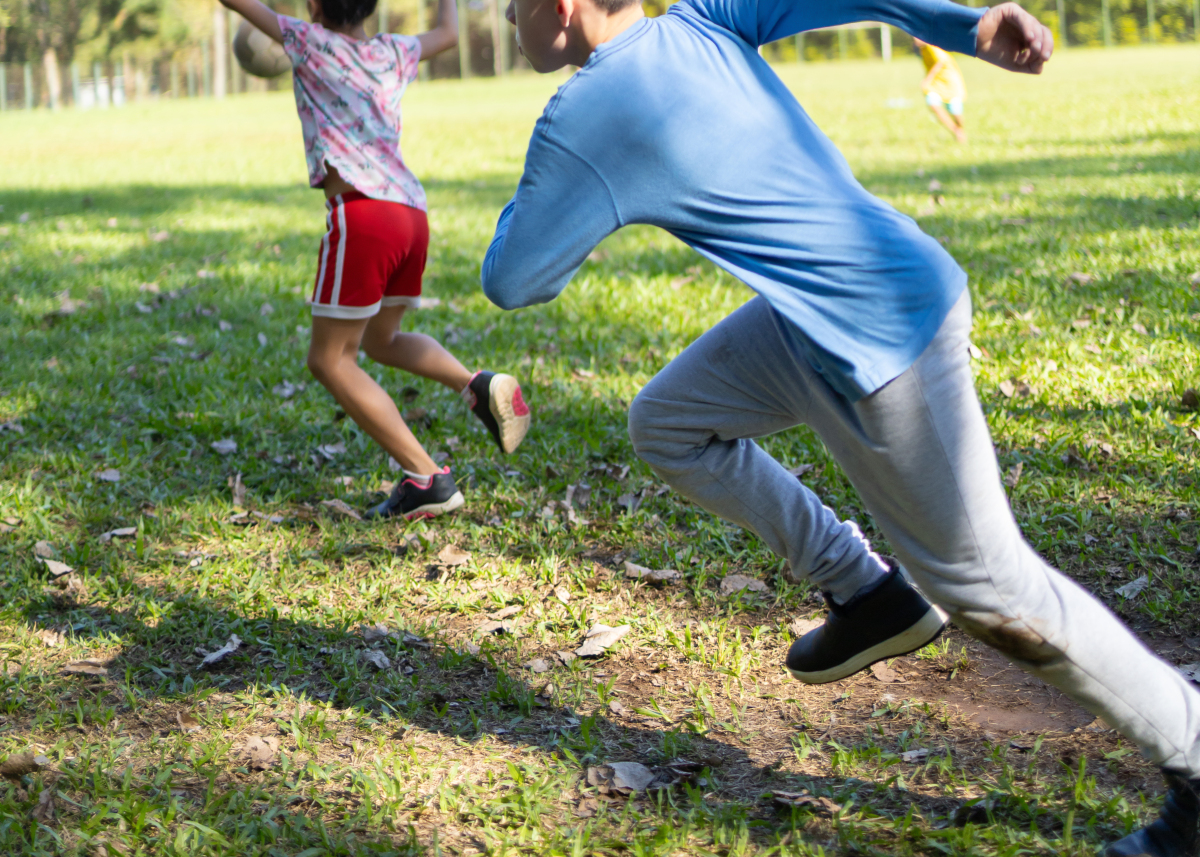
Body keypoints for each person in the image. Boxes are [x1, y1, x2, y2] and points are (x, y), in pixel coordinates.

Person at [480, 0, 1200, 852]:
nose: (503, 18)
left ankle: (1191, 748)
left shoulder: (583, 115)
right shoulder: (703, 19)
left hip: (881, 336)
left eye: (509, 3)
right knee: (669, 422)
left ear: (558, 6)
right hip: (817, 318)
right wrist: (966, 25)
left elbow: (513, 278)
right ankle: (867, 593)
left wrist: (555, 153)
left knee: (992, 586)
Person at [218, 0, 531, 520]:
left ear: (315, 5)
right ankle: (475, 384)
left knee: (329, 360)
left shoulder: (308, 40)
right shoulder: (392, 50)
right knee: (381, 341)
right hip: (410, 214)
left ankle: (427, 477)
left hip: (363, 216)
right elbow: (449, 32)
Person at [914, 36, 968, 143]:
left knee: (955, 111)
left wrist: (927, 80)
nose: (915, 39)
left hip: (950, 82)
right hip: (936, 84)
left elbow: (941, 62)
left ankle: (960, 130)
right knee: (933, 104)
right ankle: (955, 130)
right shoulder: (922, 49)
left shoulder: (932, 45)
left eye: (917, 36)